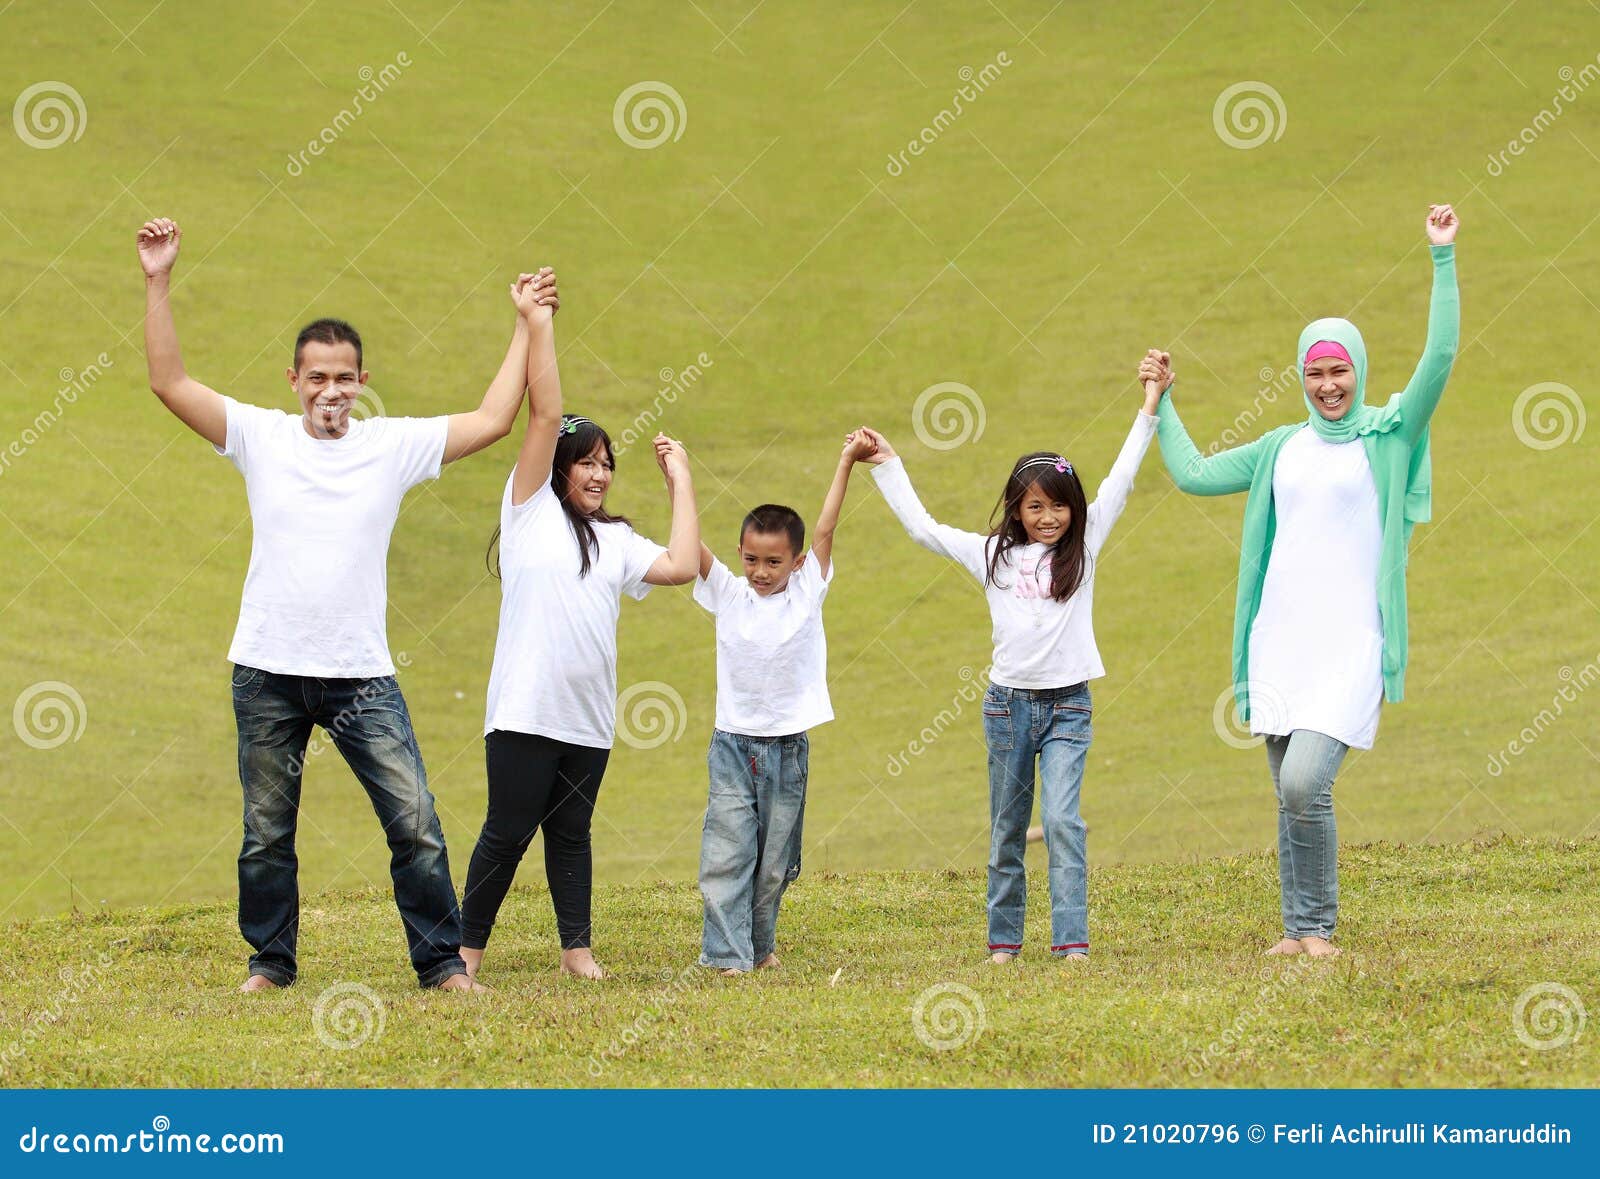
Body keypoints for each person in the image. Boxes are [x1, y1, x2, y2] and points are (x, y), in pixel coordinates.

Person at [137, 217, 556, 991]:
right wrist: (159, 280)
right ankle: (271, 963)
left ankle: (440, 965)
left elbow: (496, 419)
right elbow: (171, 383)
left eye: (345, 377)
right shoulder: (260, 437)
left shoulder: (389, 446)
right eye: (317, 377)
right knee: (266, 833)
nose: (332, 390)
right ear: (294, 381)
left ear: (362, 383)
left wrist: (528, 325)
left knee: (415, 822)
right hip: (265, 666)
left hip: (360, 672)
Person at [1143, 204, 1460, 958]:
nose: (1328, 384)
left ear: (1359, 371)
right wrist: (1164, 402)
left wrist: (1441, 258)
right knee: (1286, 794)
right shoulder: (1279, 447)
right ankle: (1296, 931)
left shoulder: (1389, 434)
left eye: (1339, 369)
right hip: (1279, 642)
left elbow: (1439, 361)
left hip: (1350, 645)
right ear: (1300, 376)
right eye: (1315, 372)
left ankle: (1317, 927)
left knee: (1303, 784)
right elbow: (1191, 474)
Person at [856, 367, 1162, 964]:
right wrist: (888, 461)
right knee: (1006, 828)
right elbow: (924, 530)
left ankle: (1071, 942)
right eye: (1035, 507)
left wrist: (1150, 400)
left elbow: (1122, 478)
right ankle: (1004, 943)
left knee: (1065, 822)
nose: (1049, 518)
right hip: (1007, 708)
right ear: (1017, 510)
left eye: (1059, 507)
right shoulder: (993, 554)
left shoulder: (1086, 544)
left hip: (1070, 705)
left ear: (1075, 509)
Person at [457, 274, 700, 982]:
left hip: (588, 718)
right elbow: (541, 415)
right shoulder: (528, 507)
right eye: (585, 461)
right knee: (506, 833)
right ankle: (464, 956)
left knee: (570, 834)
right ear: (557, 468)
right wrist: (540, 324)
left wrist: (681, 480)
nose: (597, 473)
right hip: (526, 709)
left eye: (605, 464)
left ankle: (577, 952)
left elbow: (683, 563)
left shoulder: (616, 540)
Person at [692, 431, 876, 975]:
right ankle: (727, 956)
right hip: (732, 746)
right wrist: (678, 475)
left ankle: (760, 946)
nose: (759, 571)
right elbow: (692, 547)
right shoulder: (728, 592)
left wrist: (845, 460)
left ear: (796, 563)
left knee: (775, 864)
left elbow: (825, 527)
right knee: (727, 853)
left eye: (773, 561)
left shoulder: (807, 589)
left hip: (787, 750)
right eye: (750, 558)